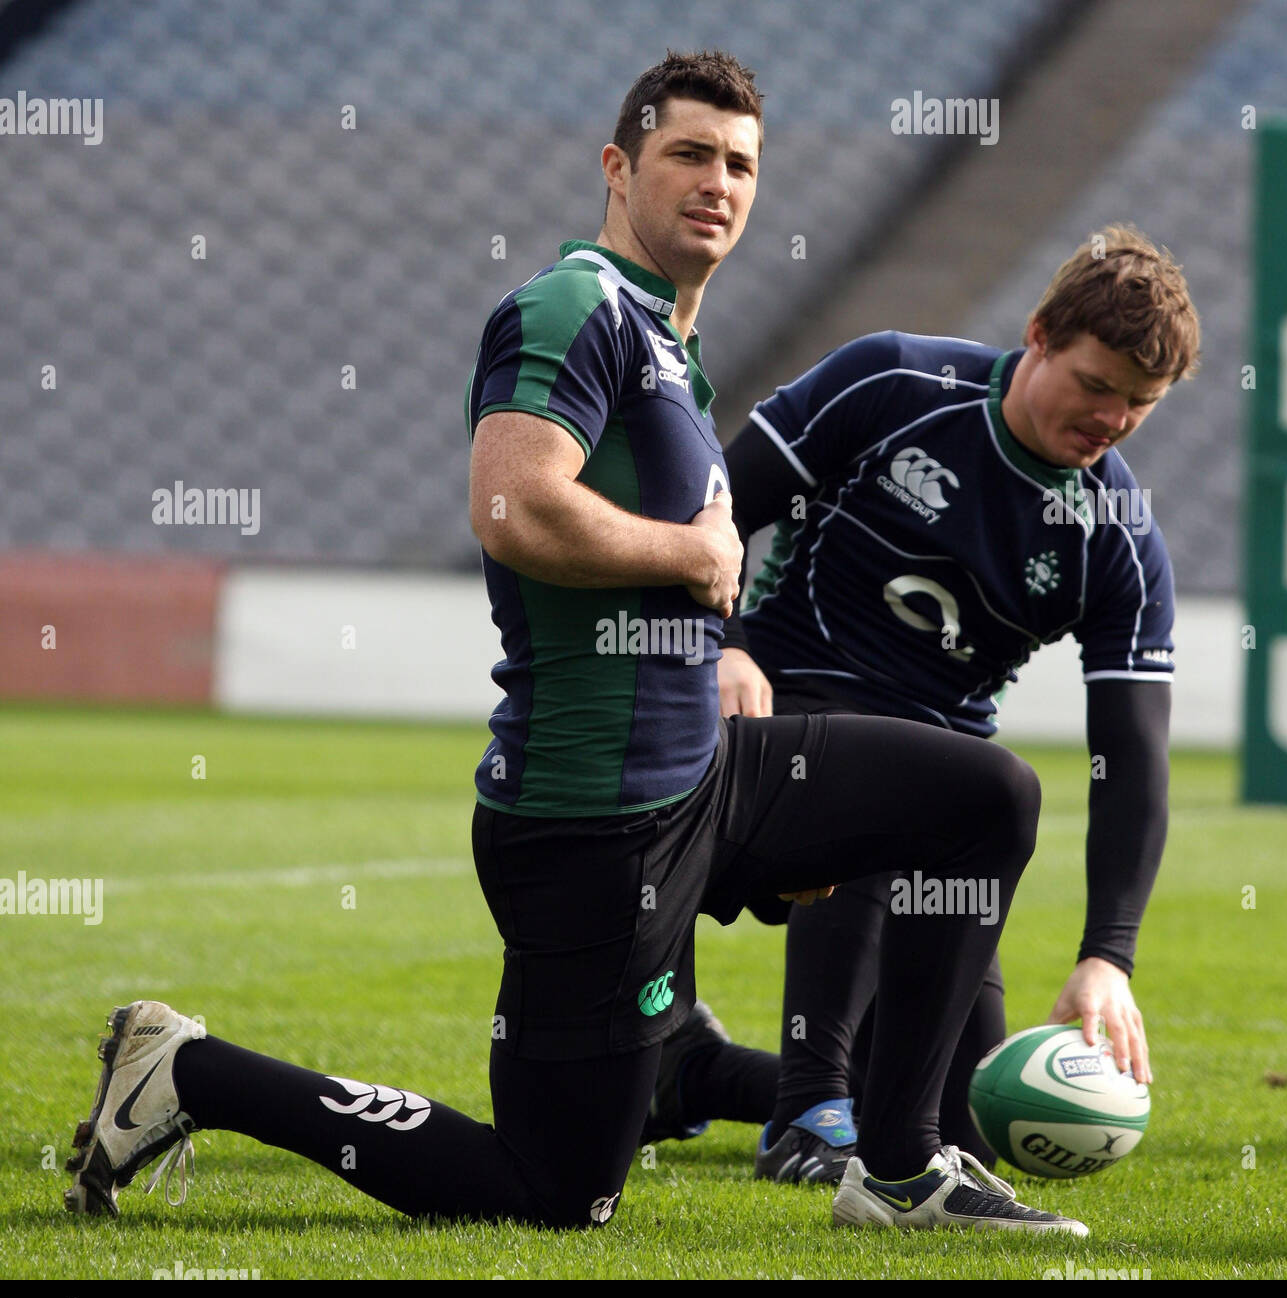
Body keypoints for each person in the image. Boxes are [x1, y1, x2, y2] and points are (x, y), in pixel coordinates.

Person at [62, 51, 1085, 1235]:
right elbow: (512, 505)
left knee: (982, 798)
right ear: (618, 166)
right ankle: (187, 1069)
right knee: (555, 1196)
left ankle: (904, 1166)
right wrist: (693, 559)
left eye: (740, 164)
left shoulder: (671, 342)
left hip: (703, 776)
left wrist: (727, 665)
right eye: (689, 154)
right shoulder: (572, 307)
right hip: (590, 823)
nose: (719, 182)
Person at [654, 225, 1197, 1189]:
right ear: (1038, 335)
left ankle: (691, 1074)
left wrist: (1107, 955)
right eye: (1097, 384)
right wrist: (725, 648)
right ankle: (806, 1112)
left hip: (950, 793)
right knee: (891, 795)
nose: (1112, 418)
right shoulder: (893, 383)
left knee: (964, 1120)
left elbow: (1134, 757)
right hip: (774, 713)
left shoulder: (1116, 538)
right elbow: (714, 511)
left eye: (1140, 404)